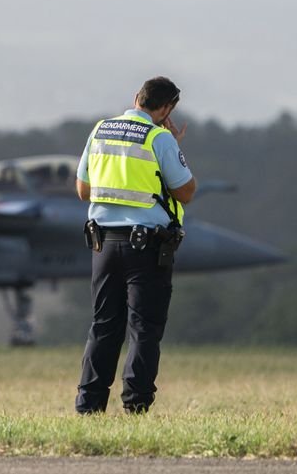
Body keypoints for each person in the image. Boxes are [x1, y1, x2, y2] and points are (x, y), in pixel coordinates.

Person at [73, 76, 197, 414]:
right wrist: (173, 144)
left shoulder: (100, 131)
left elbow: (83, 190)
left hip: (103, 244)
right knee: (144, 328)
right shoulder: (159, 138)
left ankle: (89, 406)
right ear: (167, 108)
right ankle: (136, 405)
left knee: (103, 326)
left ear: (136, 98)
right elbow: (186, 192)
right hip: (146, 248)